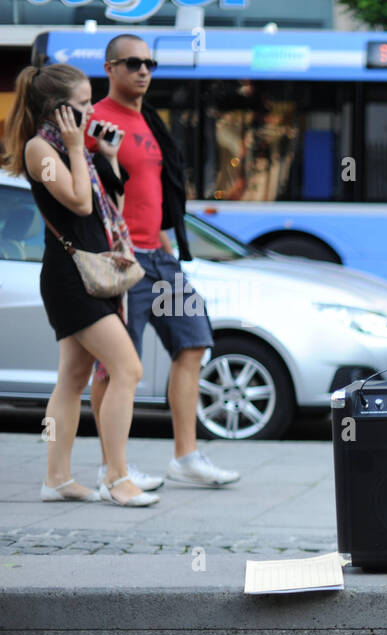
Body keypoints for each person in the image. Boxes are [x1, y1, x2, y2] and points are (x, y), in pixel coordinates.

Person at [87, 33, 240, 490]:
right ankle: (111, 466)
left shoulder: (151, 121)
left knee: (193, 342)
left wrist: (166, 242)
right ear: (110, 67)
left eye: (150, 63)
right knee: (114, 364)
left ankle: (186, 456)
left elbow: (157, 192)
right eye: (132, 62)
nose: (143, 71)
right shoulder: (96, 120)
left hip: (159, 257)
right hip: (121, 261)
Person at [2, 63, 157, 507]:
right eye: (84, 103)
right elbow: (80, 203)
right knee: (128, 370)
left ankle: (57, 478)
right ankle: (116, 476)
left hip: (95, 272)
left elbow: (112, 205)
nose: (92, 110)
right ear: (58, 108)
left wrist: (104, 155)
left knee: (71, 378)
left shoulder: (77, 149)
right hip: (70, 279)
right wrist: (75, 146)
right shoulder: (39, 149)